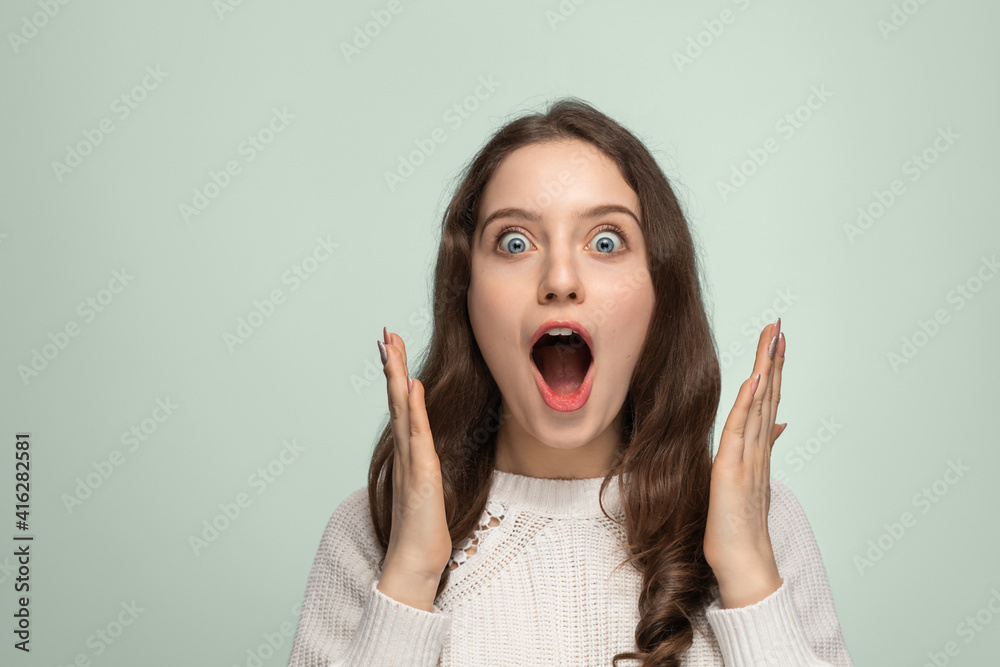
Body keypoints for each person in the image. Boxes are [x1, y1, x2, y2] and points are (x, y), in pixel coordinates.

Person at [287, 98, 854, 666]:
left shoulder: (763, 521)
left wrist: (748, 577)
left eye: (606, 242)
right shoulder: (375, 529)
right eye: (514, 242)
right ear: (466, 296)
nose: (560, 279)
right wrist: (410, 578)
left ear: (660, 292)